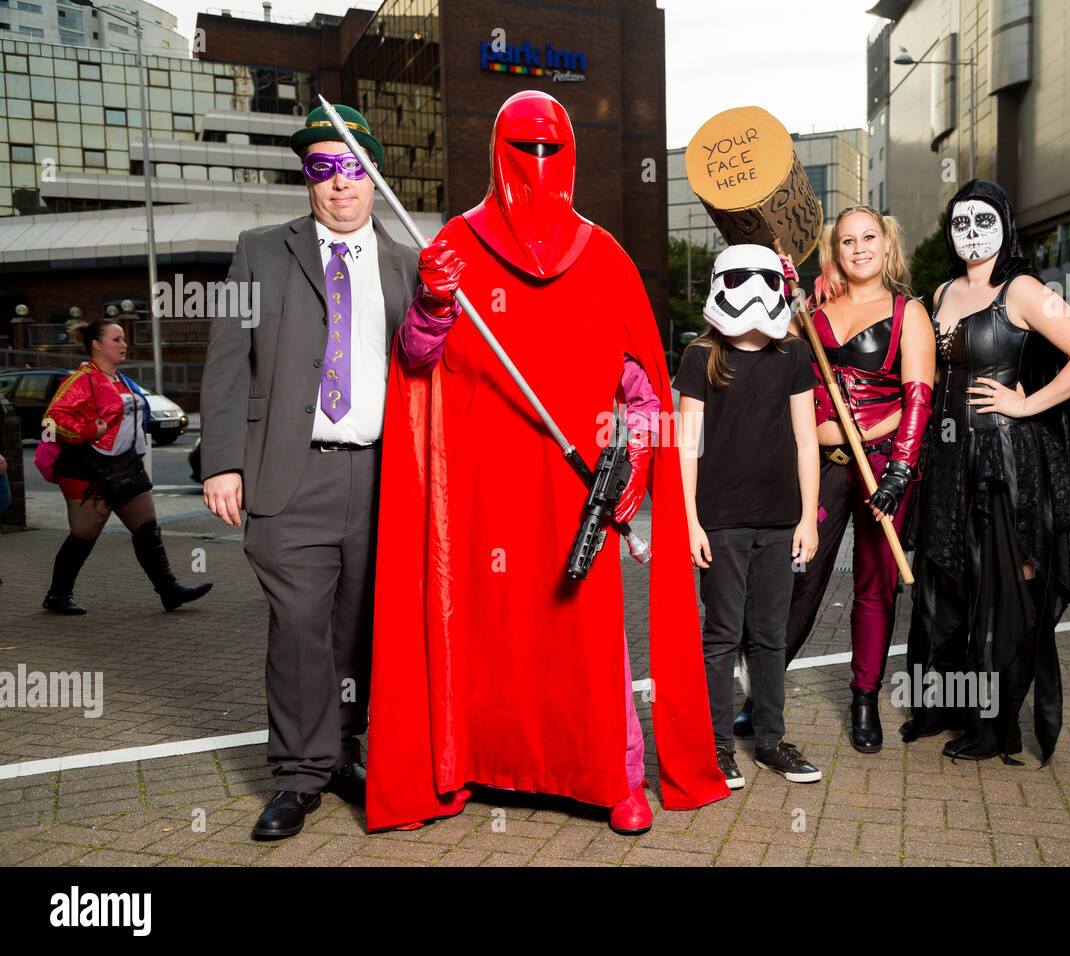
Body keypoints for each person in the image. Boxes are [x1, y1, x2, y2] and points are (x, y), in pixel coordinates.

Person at [367, 90, 728, 836]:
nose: (536, 165)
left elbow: (644, 390)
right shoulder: (455, 250)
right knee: (482, 627)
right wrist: (433, 307)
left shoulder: (603, 257)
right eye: (522, 148)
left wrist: (628, 476)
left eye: (550, 150)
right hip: (479, 487)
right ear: (496, 151)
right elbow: (414, 364)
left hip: (573, 489)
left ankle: (612, 772)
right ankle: (466, 762)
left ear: (570, 158)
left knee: (588, 636)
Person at [200, 105, 422, 840]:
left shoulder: (410, 264)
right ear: (307, 177)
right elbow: (228, 363)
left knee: (360, 627)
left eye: (353, 168)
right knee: (299, 625)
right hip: (289, 475)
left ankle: (346, 751)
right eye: (323, 168)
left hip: (384, 475)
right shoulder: (260, 251)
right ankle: (298, 774)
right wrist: (223, 461)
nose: (339, 185)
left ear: (374, 178)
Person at [901, 180, 1070, 764]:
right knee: (949, 588)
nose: (970, 232)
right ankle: (947, 706)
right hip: (946, 464)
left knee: (1002, 592)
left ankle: (997, 727)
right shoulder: (939, 292)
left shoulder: (1021, 289)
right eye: (960, 221)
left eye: (983, 220)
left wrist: (1026, 403)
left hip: (1004, 465)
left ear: (1005, 226)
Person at [733, 206, 935, 755]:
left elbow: (919, 398)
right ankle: (762, 692)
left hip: (885, 464)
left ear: (887, 245)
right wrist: (777, 287)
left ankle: (864, 699)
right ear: (836, 251)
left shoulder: (907, 312)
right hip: (821, 464)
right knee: (796, 574)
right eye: (848, 241)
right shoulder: (812, 315)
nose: (860, 247)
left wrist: (900, 469)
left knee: (875, 585)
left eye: (870, 237)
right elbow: (768, 354)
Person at [675, 243, 822, 789]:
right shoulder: (700, 357)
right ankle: (717, 747)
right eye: (740, 277)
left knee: (769, 635)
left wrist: (808, 518)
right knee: (720, 635)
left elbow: (807, 440)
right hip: (721, 522)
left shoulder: (793, 355)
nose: (753, 289)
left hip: (781, 520)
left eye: (763, 277)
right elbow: (686, 447)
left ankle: (769, 741)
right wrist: (690, 521)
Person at [38, 319, 212, 615]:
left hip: (126, 465)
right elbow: (50, 422)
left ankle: (169, 591)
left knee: (146, 527)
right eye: (116, 339)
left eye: (124, 339)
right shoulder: (81, 380)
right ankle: (57, 596)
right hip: (86, 470)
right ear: (96, 345)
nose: (124, 344)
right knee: (84, 533)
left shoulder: (121, 379)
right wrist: (88, 430)